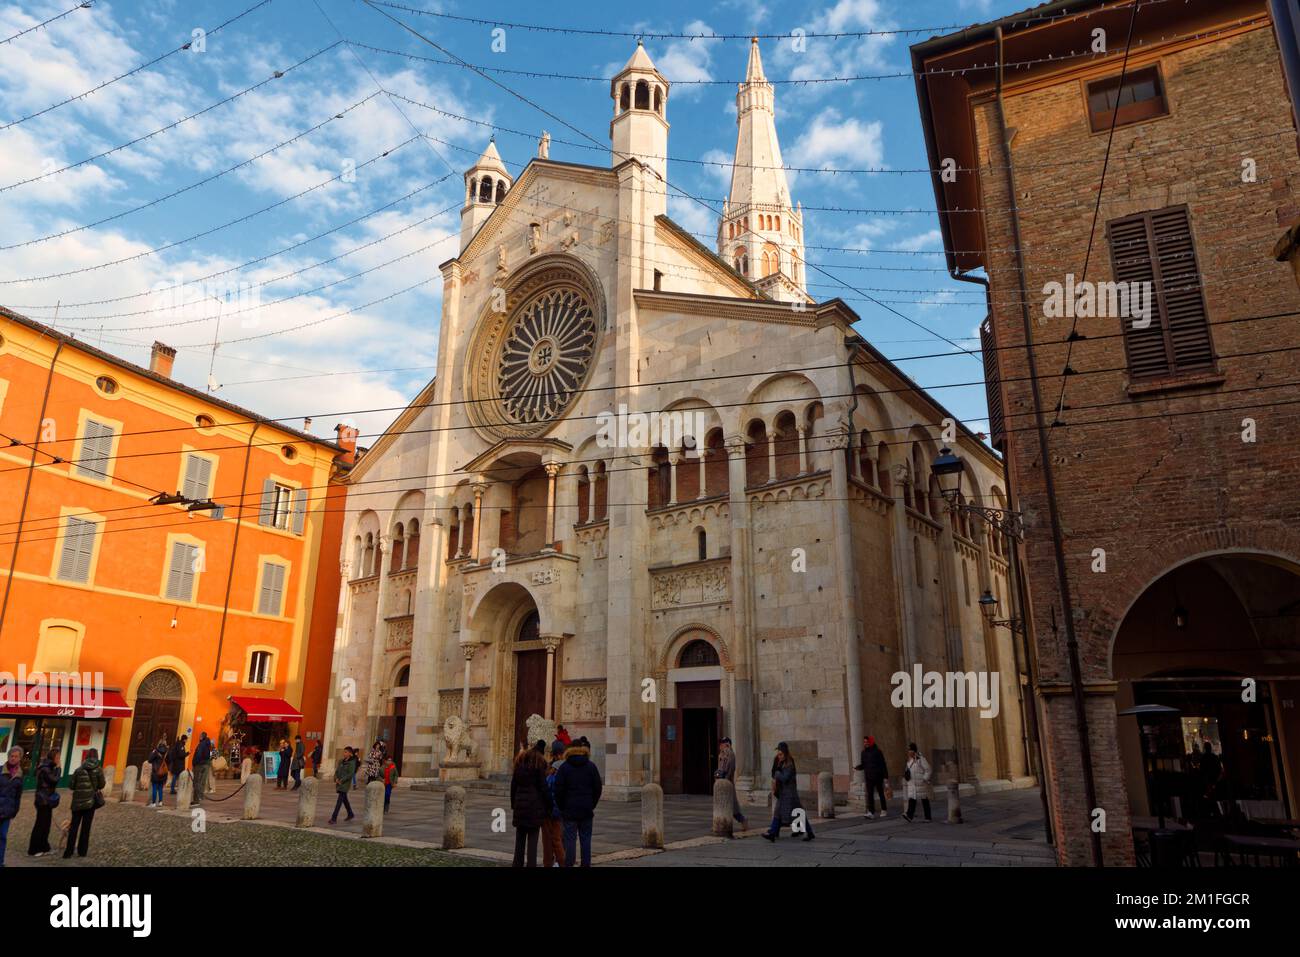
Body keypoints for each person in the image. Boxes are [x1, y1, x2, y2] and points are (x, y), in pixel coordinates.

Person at [553, 735, 602, 867]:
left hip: (569, 810)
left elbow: (558, 790)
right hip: (586, 809)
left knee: (570, 840)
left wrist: (563, 807)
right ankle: (586, 865)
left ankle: (569, 864)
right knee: (586, 840)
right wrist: (592, 804)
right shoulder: (591, 766)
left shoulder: (564, 767)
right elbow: (598, 788)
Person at [509, 741, 552, 867]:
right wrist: (549, 806)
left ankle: (517, 864)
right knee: (532, 841)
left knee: (520, 839)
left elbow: (513, 786)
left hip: (520, 807)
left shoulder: (519, 763)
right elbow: (544, 788)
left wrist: (514, 804)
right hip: (535, 807)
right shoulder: (539, 764)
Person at [761, 742, 814, 842]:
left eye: (781, 754)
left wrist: (777, 774)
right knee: (778, 812)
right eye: (778, 754)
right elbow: (775, 772)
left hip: (790, 794)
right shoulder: (780, 762)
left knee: (798, 813)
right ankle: (773, 832)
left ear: (785, 753)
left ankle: (809, 833)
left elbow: (785, 778)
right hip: (783, 793)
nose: (779, 756)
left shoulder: (789, 764)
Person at [64, 748, 106, 859]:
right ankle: (82, 851)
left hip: (77, 802)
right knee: (85, 828)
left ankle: (68, 852)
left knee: (74, 827)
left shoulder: (78, 770)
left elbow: (71, 785)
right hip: (90, 803)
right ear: (97, 757)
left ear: (86, 757)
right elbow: (102, 785)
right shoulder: (98, 770)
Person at [27, 748, 61, 857]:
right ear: (53, 758)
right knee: (40, 825)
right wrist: (59, 769)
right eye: (58, 758)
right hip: (43, 800)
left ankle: (44, 847)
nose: (59, 760)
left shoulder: (49, 767)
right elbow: (54, 780)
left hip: (47, 799)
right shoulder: (46, 768)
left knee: (46, 825)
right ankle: (34, 849)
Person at [714, 737, 747, 831]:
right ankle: (720, 824)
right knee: (723, 806)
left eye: (723, 743)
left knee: (733, 807)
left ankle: (743, 820)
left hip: (727, 783)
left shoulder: (730, 754)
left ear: (728, 744)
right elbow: (720, 769)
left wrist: (725, 779)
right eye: (721, 743)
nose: (721, 745)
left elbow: (730, 768)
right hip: (721, 783)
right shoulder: (721, 755)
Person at [541, 741, 566, 867]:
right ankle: (560, 862)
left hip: (550, 808)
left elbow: (547, 788)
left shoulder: (551, 769)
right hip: (561, 808)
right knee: (558, 838)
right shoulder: (568, 767)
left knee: (550, 839)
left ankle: (554, 863)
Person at [854, 735, 889, 819]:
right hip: (869, 777)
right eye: (864, 742)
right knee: (870, 794)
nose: (865, 743)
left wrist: (885, 777)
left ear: (871, 742)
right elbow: (864, 764)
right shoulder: (863, 753)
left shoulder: (877, 752)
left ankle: (884, 809)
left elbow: (883, 764)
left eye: (867, 742)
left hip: (878, 776)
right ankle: (871, 812)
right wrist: (858, 767)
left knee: (880, 793)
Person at [0, 747, 23, 867]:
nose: (13, 758)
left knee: (3, 837)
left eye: (16, 756)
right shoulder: (1, 771)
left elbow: (18, 795)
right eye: (11, 756)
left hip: (8, 811)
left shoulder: (19, 776)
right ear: (8, 757)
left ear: (20, 758)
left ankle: (1, 861)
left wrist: (15, 810)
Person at [902, 743, 933, 822]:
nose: (909, 752)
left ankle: (928, 817)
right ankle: (909, 815)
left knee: (924, 800)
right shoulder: (910, 760)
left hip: (921, 783)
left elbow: (928, 769)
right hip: (912, 784)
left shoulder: (920, 759)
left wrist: (924, 779)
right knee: (912, 799)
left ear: (914, 751)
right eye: (908, 750)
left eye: (911, 750)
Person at [330, 747, 358, 824]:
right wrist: (336, 778)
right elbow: (337, 771)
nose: (344, 753)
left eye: (346, 752)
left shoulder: (352, 762)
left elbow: (350, 774)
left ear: (350, 753)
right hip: (339, 782)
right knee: (344, 799)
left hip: (345, 784)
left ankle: (334, 818)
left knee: (339, 801)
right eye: (344, 752)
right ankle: (350, 813)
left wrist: (342, 780)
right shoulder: (341, 761)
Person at [192, 731, 213, 803]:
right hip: (207, 764)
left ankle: (196, 799)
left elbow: (198, 754)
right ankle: (201, 796)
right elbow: (212, 754)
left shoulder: (201, 744)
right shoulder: (209, 744)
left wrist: (194, 763)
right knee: (202, 781)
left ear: (202, 736)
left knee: (197, 781)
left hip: (200, 764)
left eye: (200, 735)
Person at [147, 739, 168, 807]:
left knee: (154, 788)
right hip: (163, 773)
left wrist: (153, 752)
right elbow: (169, 760)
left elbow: (149, 760)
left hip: (156, 772)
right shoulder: (166, 751)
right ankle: (160, 802)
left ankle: (153, 803)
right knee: (160, 788)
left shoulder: (156, 751)